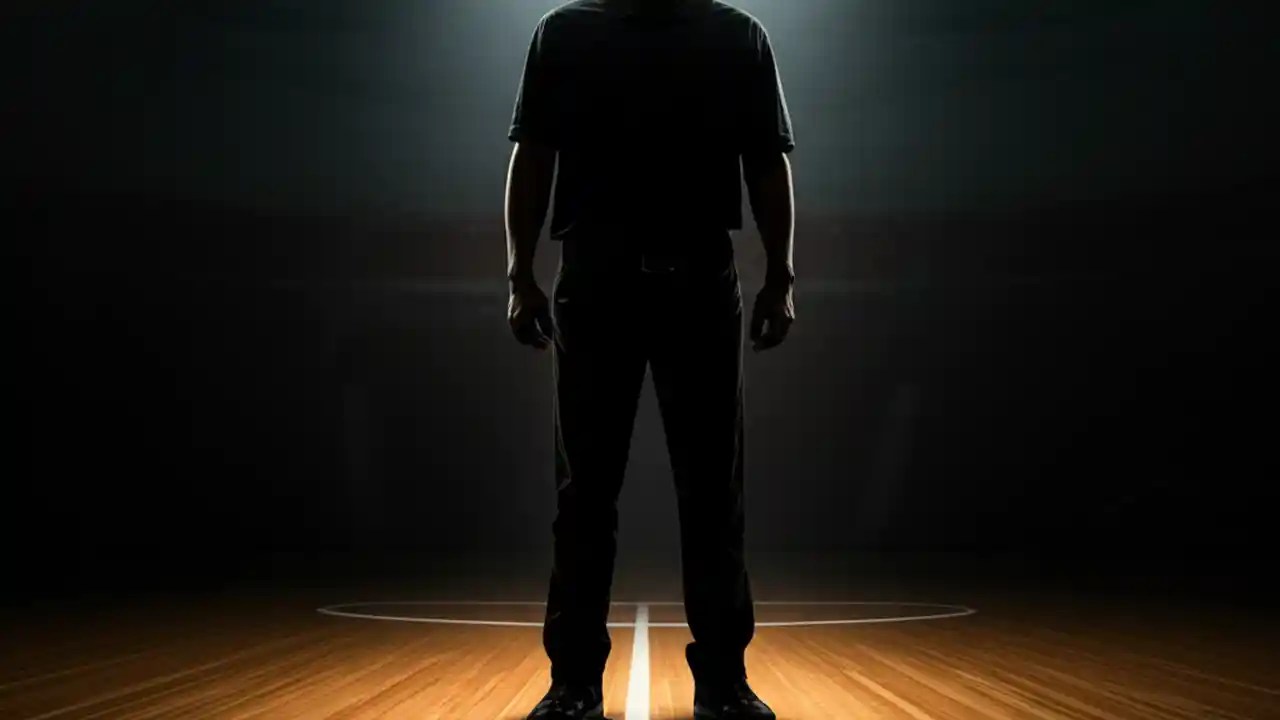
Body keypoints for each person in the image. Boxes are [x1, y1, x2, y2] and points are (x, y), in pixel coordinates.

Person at [503, 1, 795, 717]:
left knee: (706, 496)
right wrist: (518, 274)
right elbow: (532, 153)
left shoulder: (739, 36)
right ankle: (574, 684)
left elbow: (767, 160)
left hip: (692, 278)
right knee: (589, 498)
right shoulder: (563, 32)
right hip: (599, 279)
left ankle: (721, 681)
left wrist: (782, 277)